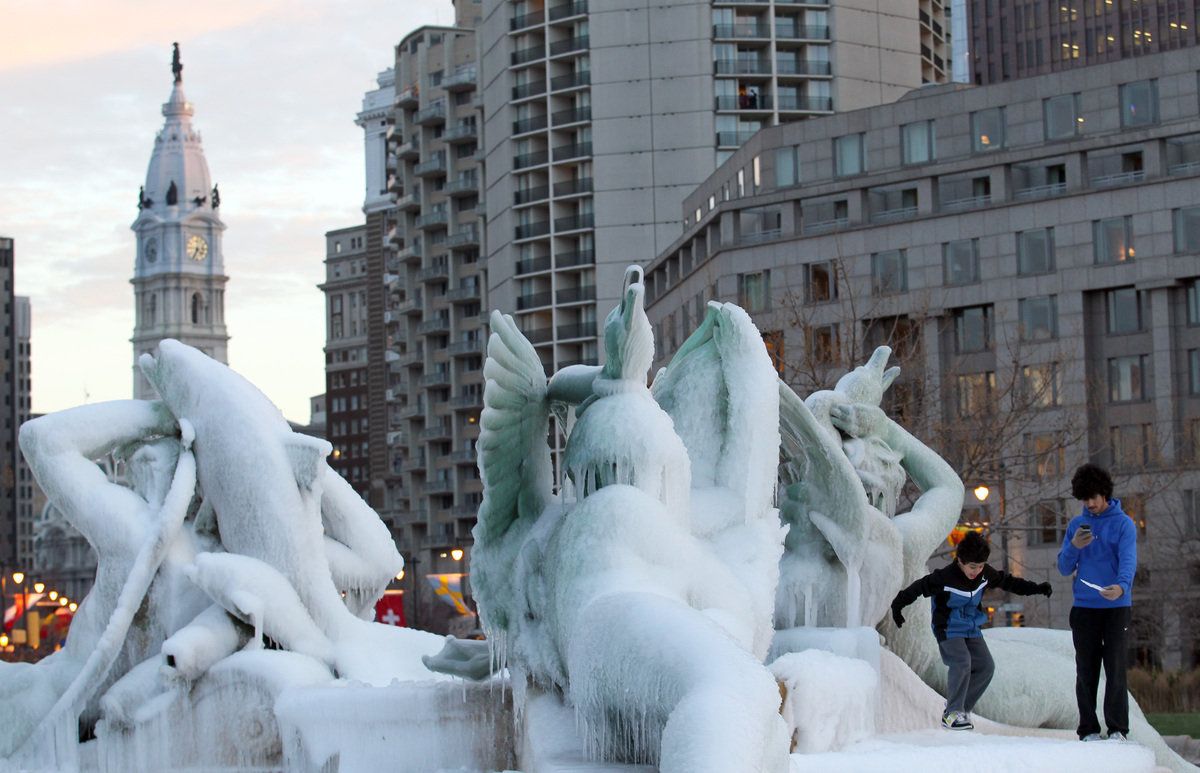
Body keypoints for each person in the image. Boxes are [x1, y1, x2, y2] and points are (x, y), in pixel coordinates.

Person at [891, 530, 1052, 731]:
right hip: (948, 628)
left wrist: (1036, 588)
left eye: (981, 566)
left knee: (986, 666)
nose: (976, 571)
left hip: (971, 627)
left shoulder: (985, 574)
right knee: (962, 662)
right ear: (960, 560)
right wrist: (898, 606)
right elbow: (917, 588)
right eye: (972, 567)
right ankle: (952, 713)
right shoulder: (945, 577)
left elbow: (1008, 582)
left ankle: (961, 710)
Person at [1057, 463, 1136, 742]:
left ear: (1105, 494)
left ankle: (1117, 729)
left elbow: (1128, 560)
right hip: (1085, 609)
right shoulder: (1078, 526)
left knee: (1115, 669)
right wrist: (1073, 547)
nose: (1090, 504)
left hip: (1116, 608)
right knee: (1085, 671)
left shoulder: (1123, 524)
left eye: (1094, 497)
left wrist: (1122, 586)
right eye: (1085, 499)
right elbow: (1064, 568)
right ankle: (1088, 729)